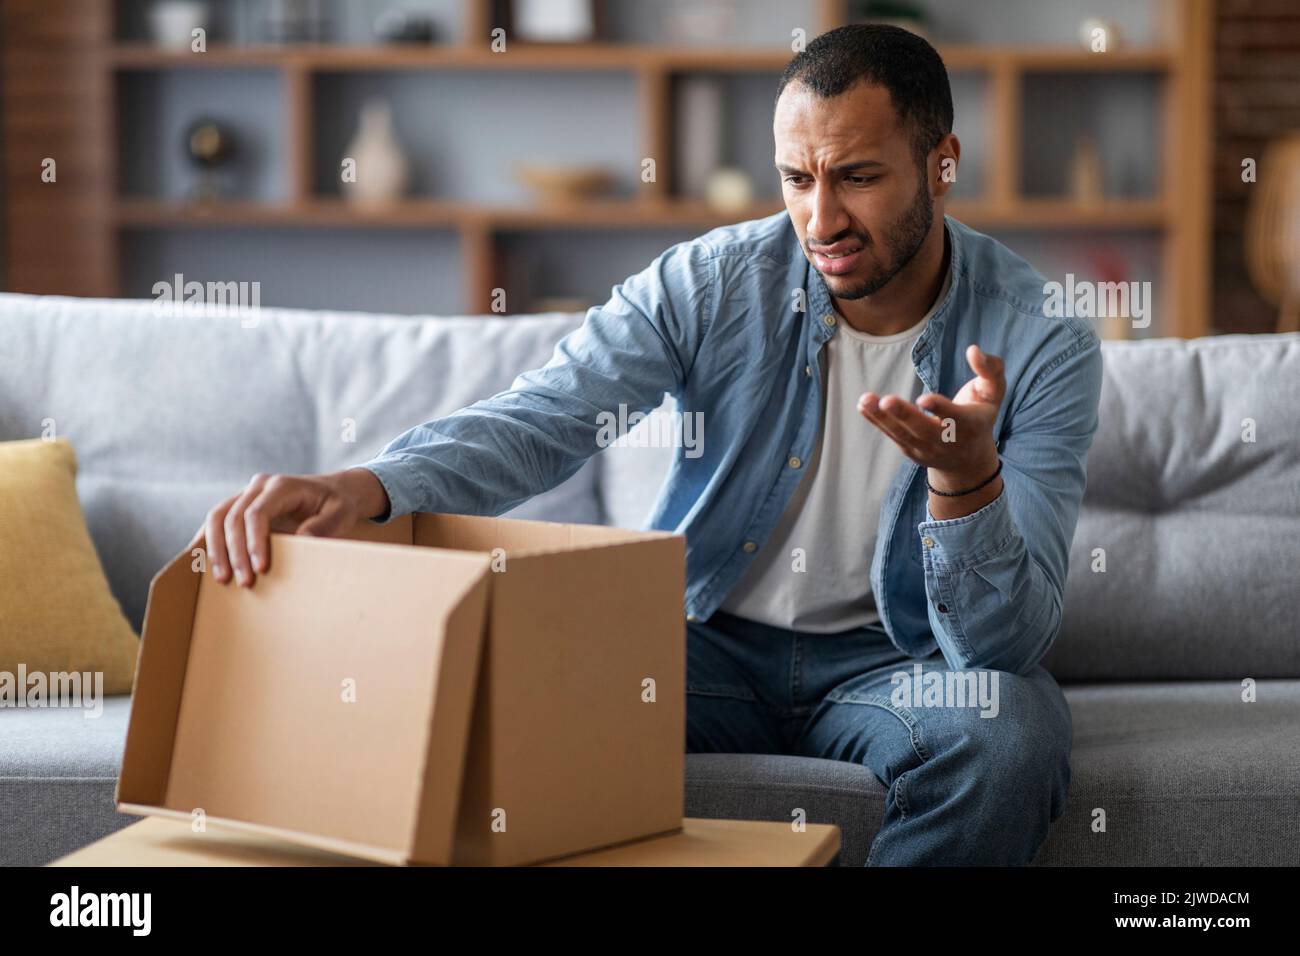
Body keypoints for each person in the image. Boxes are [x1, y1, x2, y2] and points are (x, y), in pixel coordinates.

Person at [192, 24, 1102, 866]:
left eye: (858, 177)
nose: (820, 219)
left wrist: (966, 480)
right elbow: (546, 417)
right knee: (488, 682)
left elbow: (1000, 647)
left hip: (899, 666)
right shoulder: (712, 283)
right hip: (703, 642)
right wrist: (369, 485)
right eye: (795, 179)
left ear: (942, 165)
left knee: (1009, 732)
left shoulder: (1043, 339)